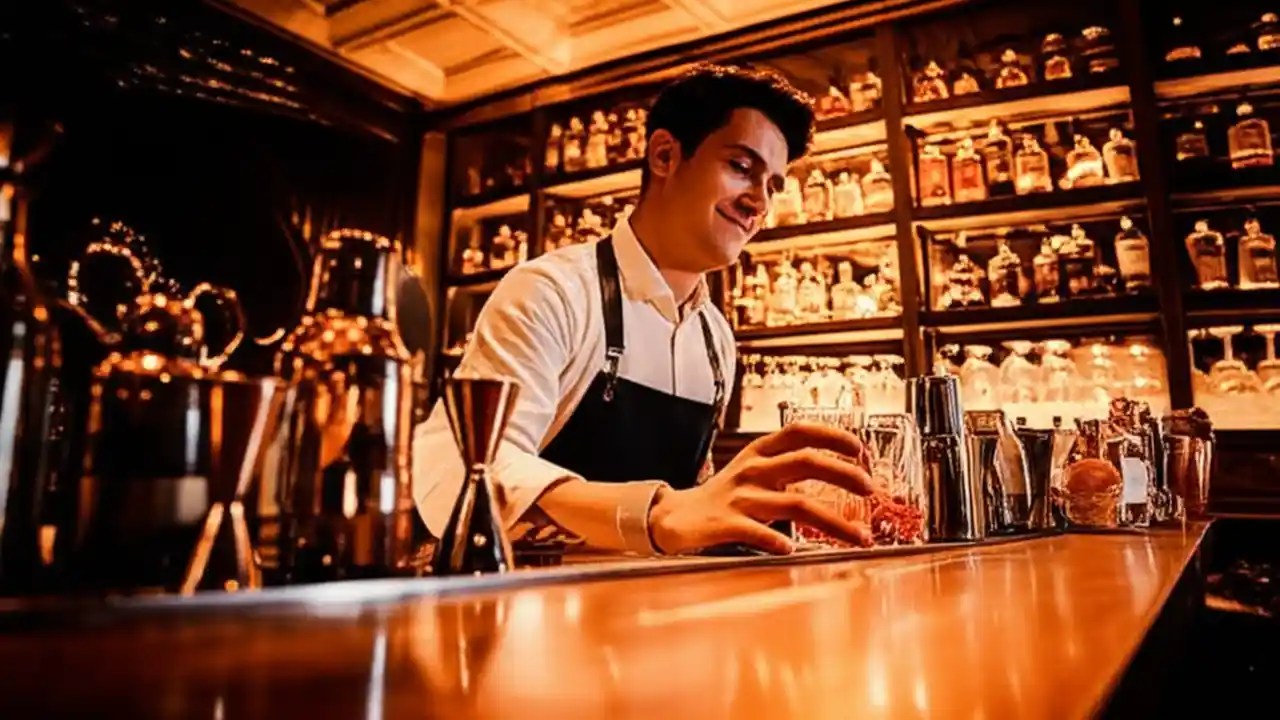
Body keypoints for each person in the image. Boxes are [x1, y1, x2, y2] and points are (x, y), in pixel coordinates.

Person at [414, 64, 873, 556]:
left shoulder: (716, 339)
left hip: (652, 611)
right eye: (741, 168)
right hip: (524, 609)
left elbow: (691, 501)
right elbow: (465, 472)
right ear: (664, 155)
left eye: (774, 186)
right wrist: (655, 515)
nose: (759, 201)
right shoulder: (553, 292)